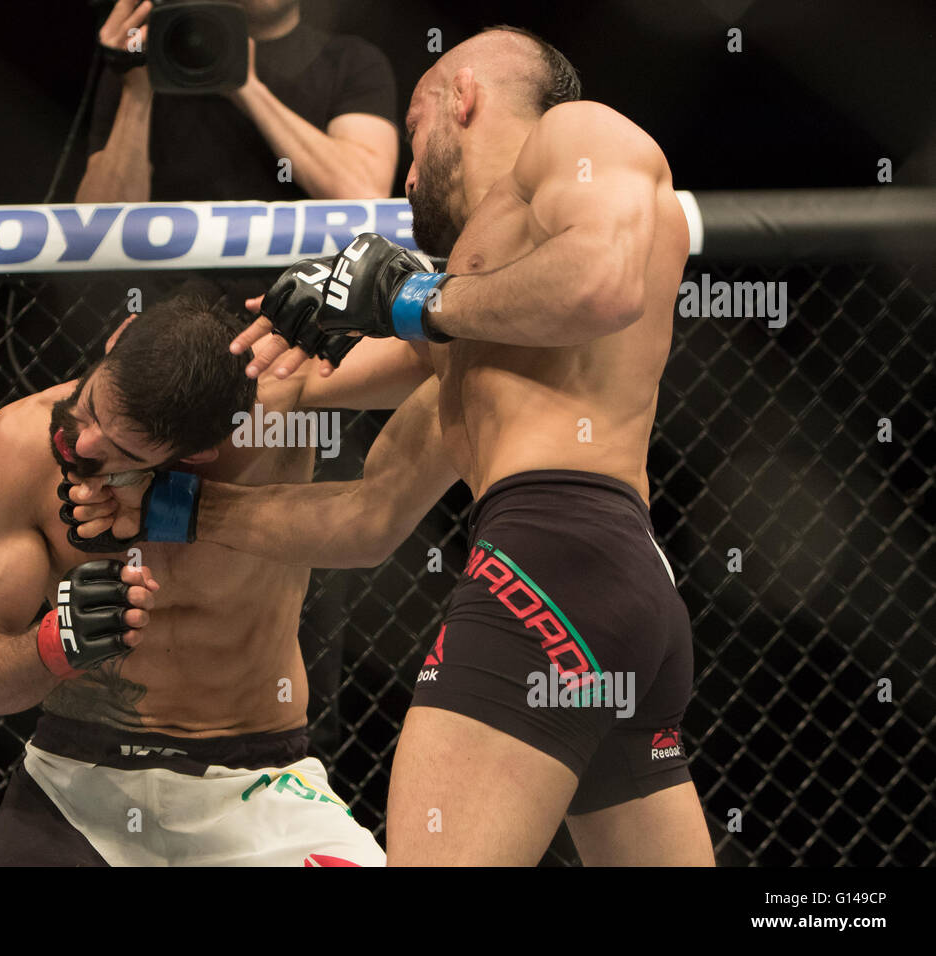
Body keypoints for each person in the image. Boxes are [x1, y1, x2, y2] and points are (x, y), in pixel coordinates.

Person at [78, 25, 717, 866]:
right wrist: (165, 474)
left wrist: (415, 299)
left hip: (549, 567)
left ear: (464, 98)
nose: (406, 176)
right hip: (613, 595)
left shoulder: (579, 134)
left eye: (414, 134)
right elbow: (367, 512)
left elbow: (601, 283)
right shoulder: (484, 324)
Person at [0, 290, 430, 865]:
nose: (85, 441)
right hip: (77, 778)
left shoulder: (278, 406)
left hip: (258, 783)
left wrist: (392, 293)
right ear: (117, 338)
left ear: (194, 455)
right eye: (95, 407)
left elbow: (459, 355)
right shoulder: (19, 446)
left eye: (124, 447)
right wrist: (54, 645)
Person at [75, 0, 399, 202]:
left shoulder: (351, 61)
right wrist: (137, 91)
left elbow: (364, 192)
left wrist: (244, 85)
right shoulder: (148, 61)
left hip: (301, 298)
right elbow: (98, 227)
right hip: (170, 302)